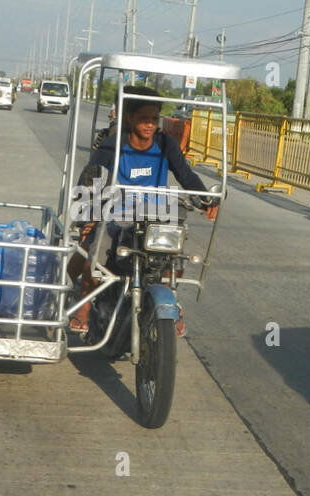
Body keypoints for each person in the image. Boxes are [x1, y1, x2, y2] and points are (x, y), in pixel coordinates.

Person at [68, 86, 217, 337]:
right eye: (144, 119)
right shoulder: (113, 144)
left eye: (154, 119)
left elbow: (185, 174)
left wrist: (206, 199)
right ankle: (83, 305)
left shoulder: (165, 144)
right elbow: (92, 177)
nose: (150, 125)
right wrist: (89, 211)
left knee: (174, 257)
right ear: (130, 118)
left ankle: (172, 302)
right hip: (117, 215)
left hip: (157, 216)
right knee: (95, 256)